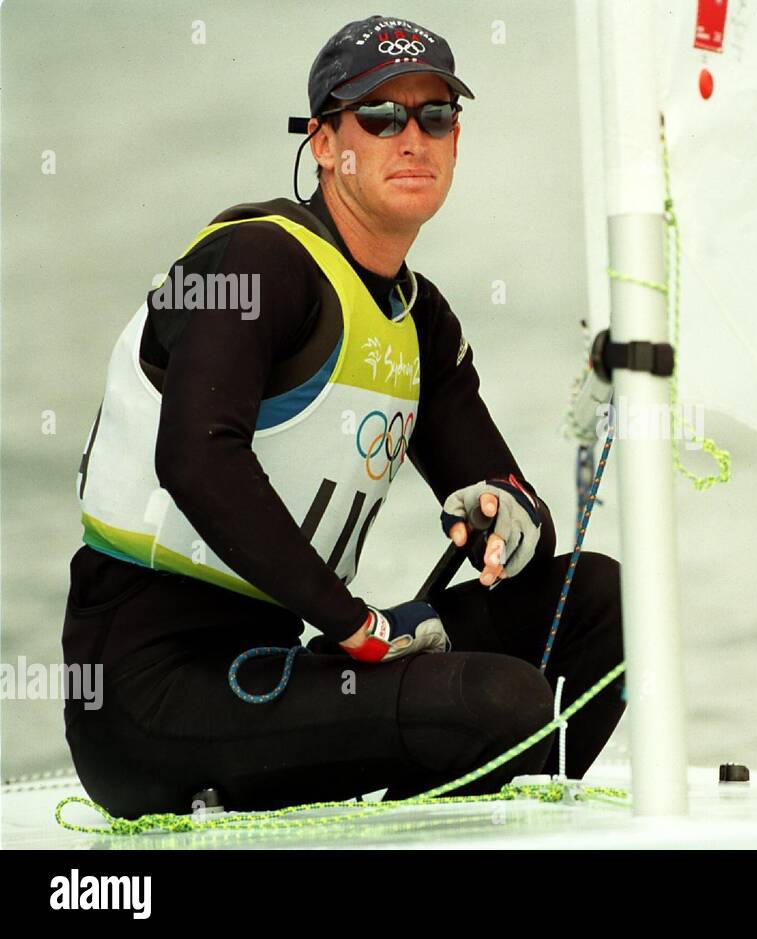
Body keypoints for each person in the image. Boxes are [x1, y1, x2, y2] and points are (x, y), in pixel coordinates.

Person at [62, 14, 625, 819]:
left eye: (434, 115)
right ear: (324, 142)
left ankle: (455, 818)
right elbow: (195, 457)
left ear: (457, 142)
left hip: (280, 660)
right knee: (502, 703)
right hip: (149, 699)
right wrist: (357, 624)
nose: (412, 138)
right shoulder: (257, 262)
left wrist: (510, 517)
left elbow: (508, 494)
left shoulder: (418, 317)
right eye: (380, 115)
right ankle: (432, 807)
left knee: (601, 604)